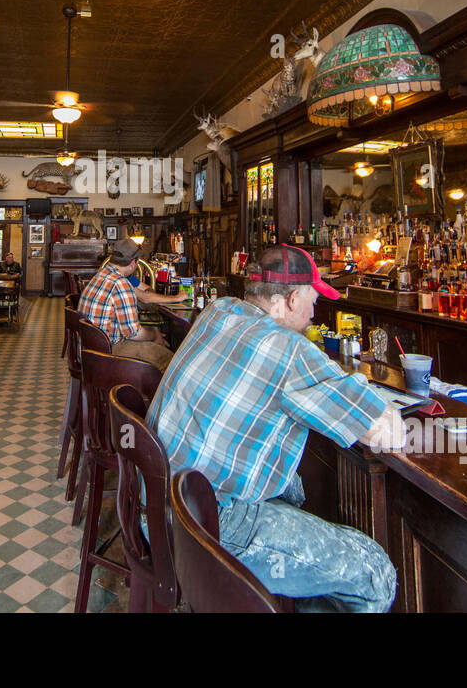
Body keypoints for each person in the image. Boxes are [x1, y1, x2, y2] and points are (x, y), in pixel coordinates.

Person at [147, 244, 405, 612]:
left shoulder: (218, 310)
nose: (315, 311)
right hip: (208, 526)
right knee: (374, 571)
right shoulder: (291, 351)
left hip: (159, 501)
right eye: (314, 299)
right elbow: (384, 432)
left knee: (292, 489)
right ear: (292, 299)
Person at [77, 238, 174, 373]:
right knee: (169, 360)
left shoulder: (101, 274)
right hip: (106, 352)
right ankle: (146, 392)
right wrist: (155, 335)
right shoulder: (121, 283)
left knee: (152, 347)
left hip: (89, 349)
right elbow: (134, 333)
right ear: (133, 263)